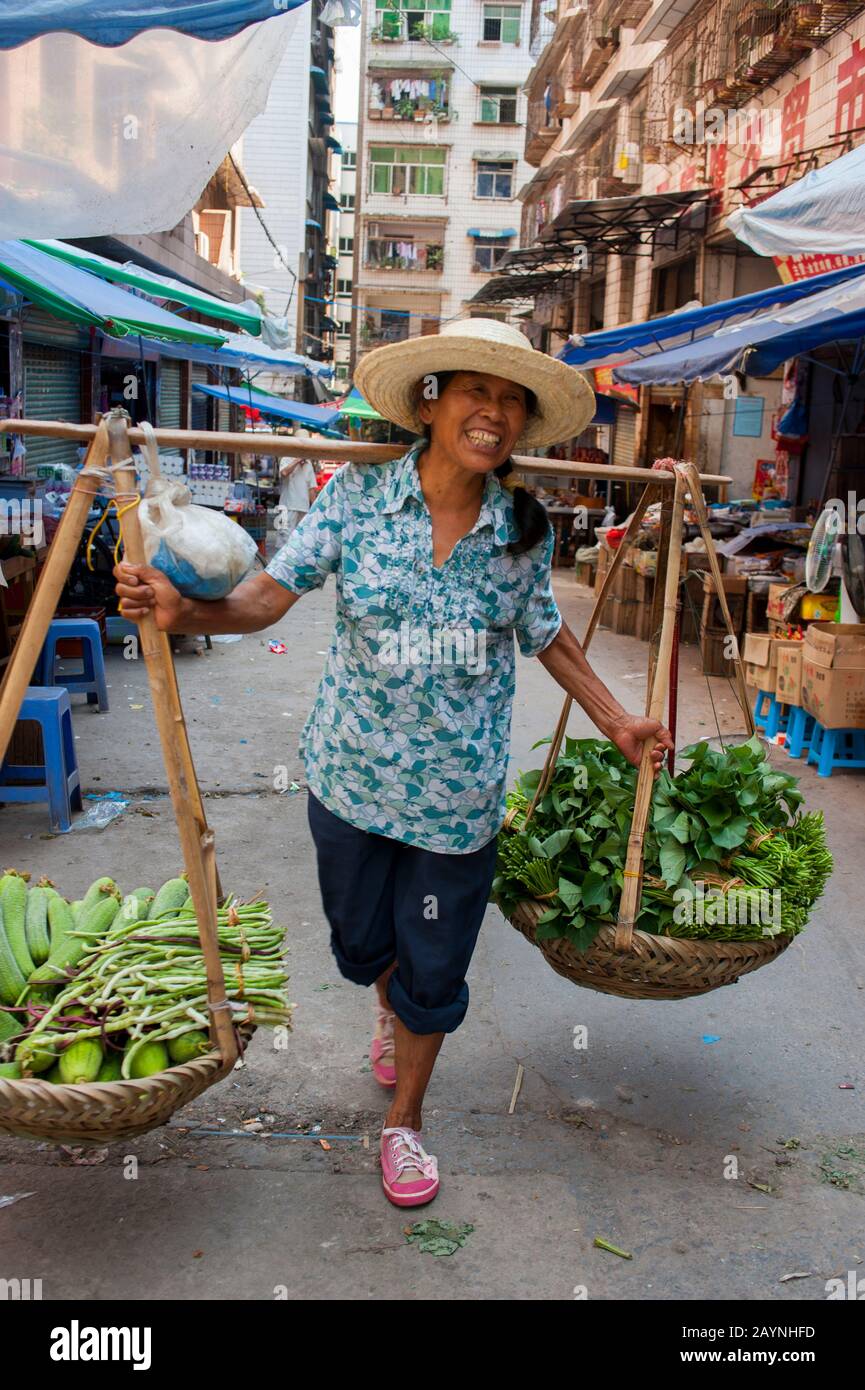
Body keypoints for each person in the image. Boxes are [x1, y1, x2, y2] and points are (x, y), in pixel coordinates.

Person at [114, 318, 672, 1210]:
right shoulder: (357, 496)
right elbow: (263, 598)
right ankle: (390, 996)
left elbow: (546, 634)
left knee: (435, 969)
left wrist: (617, 719)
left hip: (456, 802)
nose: (492, 413)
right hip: (349, 778)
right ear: (431, 401)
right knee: (361, 942)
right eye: (476, 391)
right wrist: (182, 612)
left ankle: (405, 1120)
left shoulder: (523, 530)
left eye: (510, 401)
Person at [276, 429, 318, 537]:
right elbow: (284, 472)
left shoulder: (308, 464)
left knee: (300, 539)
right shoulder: (286, 459)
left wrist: (315, 509)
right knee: (284, 537)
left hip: (303, 508)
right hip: (287, 506)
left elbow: (311, 488)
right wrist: (297, 460)